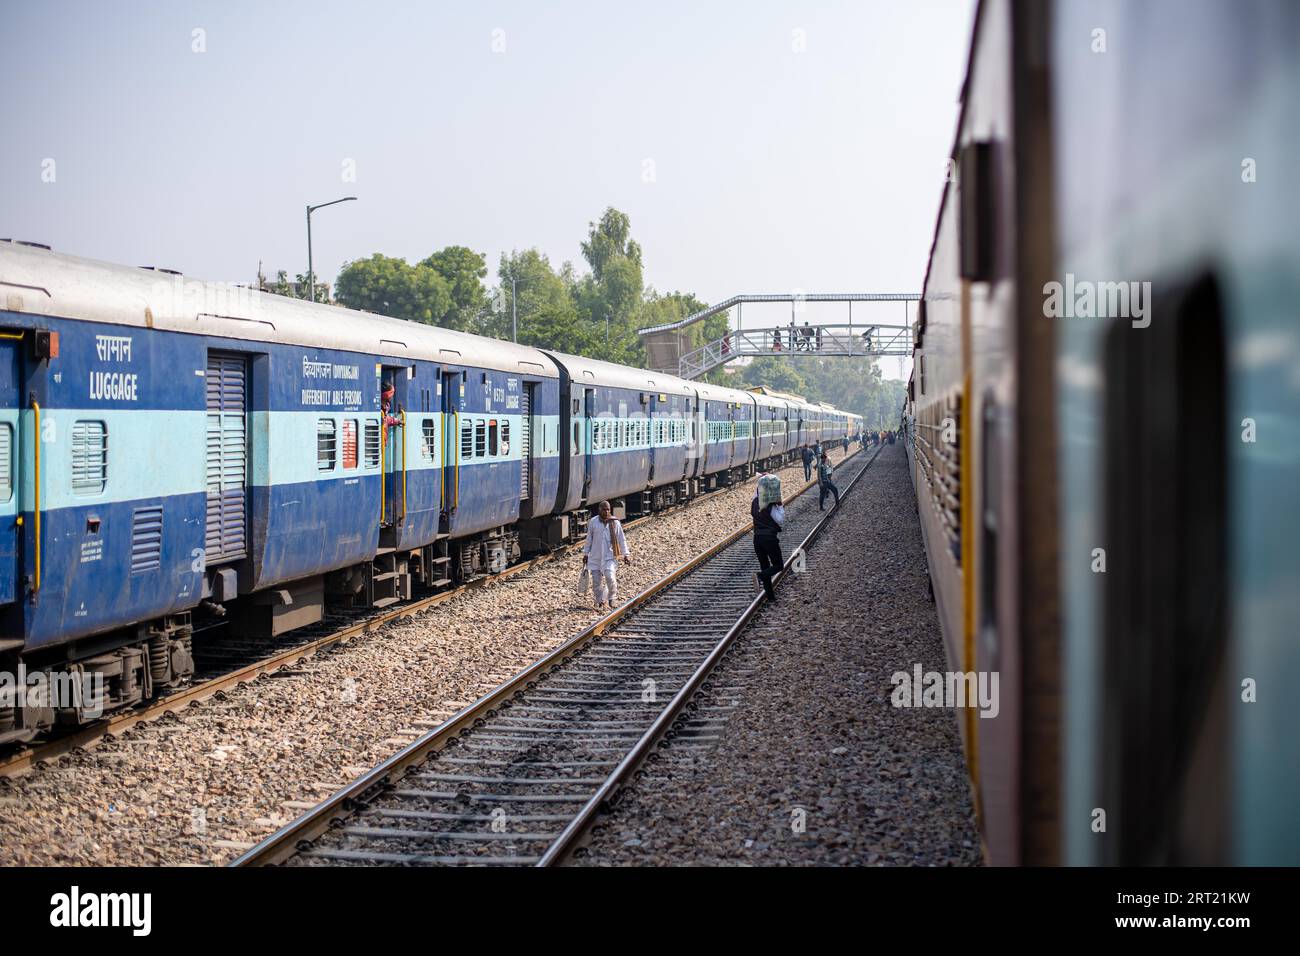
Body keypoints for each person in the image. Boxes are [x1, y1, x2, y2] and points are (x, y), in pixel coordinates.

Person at [583, 500, 631, 611]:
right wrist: (586, 554)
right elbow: (589, 539)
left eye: (608, 509)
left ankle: (612, 597)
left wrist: (626, 555)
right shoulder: (593, 522)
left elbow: (621, 539)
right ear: (599, 510)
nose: (606, 511)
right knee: (596, 583)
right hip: (595, 557)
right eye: (604, 509)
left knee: (610, 578)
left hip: (609, 557)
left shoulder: (615, 523)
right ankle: (600, 601)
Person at [751, 475, 785, 602]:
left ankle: (771, 597)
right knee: (778, 565)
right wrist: (780, 505)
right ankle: (759, 576)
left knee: (765, 566)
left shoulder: (754, 500)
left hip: (757, 538)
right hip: (769, 539)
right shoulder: (771, 505)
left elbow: (757, 493)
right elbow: (780, 520)